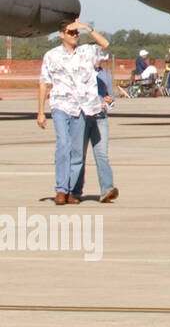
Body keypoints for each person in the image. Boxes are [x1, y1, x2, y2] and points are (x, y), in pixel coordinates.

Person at [35, 19, 111, 205]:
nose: (75, 35)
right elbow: (44, 83)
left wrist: (86, 28)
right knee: (63, 144)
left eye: (76, 33)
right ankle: (60, 190)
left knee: (77, 152)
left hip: (83, 107)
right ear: (62, 35)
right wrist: (40, 112)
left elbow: (105, 44)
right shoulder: (51, 55)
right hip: (61, 105)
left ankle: (70, 191)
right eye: (71, 33)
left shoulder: (86, 51)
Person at [72, 54, 118, 203]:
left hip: (100, 119)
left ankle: (107, 190)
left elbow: (111, 98)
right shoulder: (79, 73)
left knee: (102, 155)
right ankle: (74, 191)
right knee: (79, 156)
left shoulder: (105, 75)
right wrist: (99, 100)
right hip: (82, 118)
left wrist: (109, 101)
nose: (99, 59)